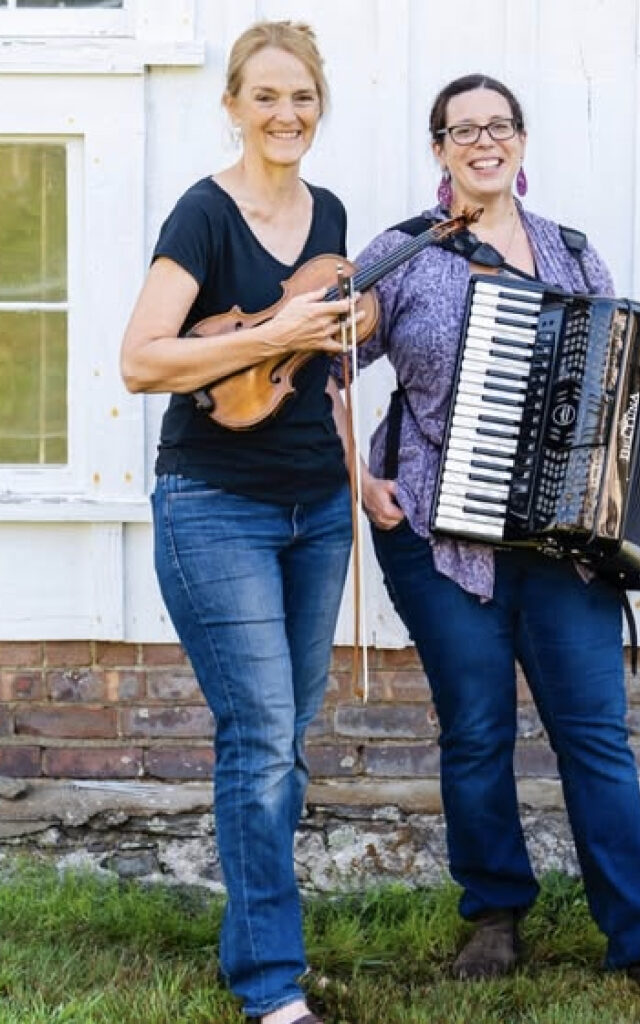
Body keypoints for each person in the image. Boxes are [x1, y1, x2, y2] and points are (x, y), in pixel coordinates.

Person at [345, 74, 640, 1004]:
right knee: (477, 727)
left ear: (522, 143)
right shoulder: (403, 255)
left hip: (561, 544)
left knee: (595, 735)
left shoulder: (573, 258)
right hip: (435, 534)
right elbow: (328, 366)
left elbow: (626, 401)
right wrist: (357, 477)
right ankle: (493, 914)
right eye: (463, 130)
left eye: (498, 126)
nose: (483, 142)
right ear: (439, 150)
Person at [120, 21, 358, 1024]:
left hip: (320, 507)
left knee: (284, 739)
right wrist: (270, 329)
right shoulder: (204, 215)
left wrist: (363, 470)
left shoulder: (331, 210)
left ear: (319, 104)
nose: (285, 114)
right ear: (232, 104)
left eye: (301, 96)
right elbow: (141, 360)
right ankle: (272, 985)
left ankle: (250, 946)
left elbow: (325, 371)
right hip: (214, 503)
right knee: (260, 737)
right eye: (265, 96)